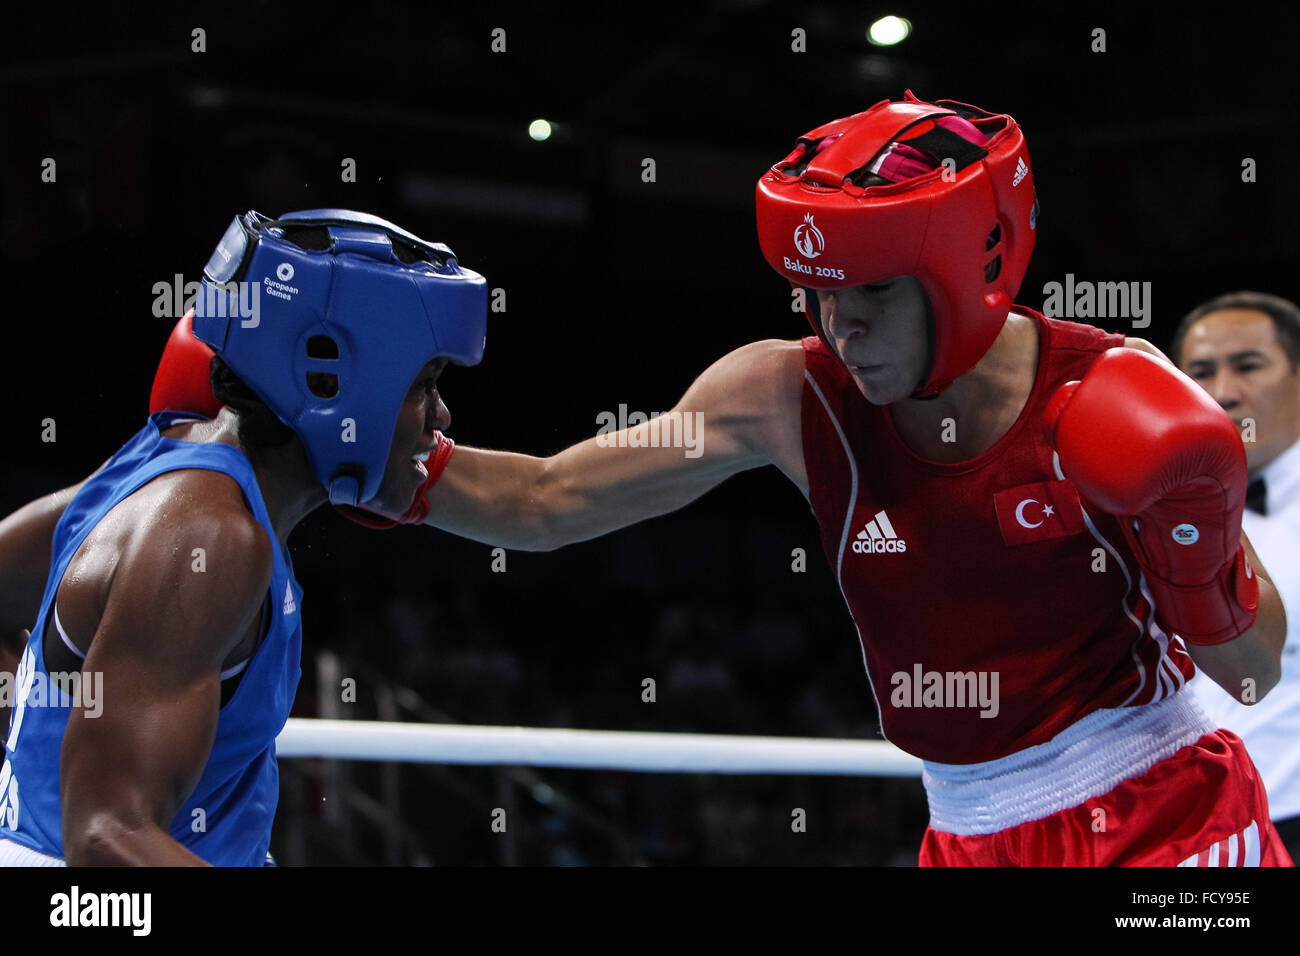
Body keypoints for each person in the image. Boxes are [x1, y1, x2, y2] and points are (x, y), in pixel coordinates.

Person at [150, 94, 1291, 866]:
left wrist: (1199, 551)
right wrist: (354, 452)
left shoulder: (1109, 397)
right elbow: (551, 499)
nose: (837, 324)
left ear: (966, 269)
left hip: (1165, 811)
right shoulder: (785, 391)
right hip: (968, 829)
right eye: (817, 291)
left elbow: (1251, 670)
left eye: (870, 292)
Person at [0, 208, 486, 865]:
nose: (441, 418)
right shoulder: (208, 539)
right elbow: (106, 838)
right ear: (331, 380)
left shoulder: (172, 472)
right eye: (423, 386)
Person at [1173, 291, 1300, 863]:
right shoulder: (1153, 515)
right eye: (1201, 372)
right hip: (1191, 839)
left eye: (1248, 366)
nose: (1223, 391)